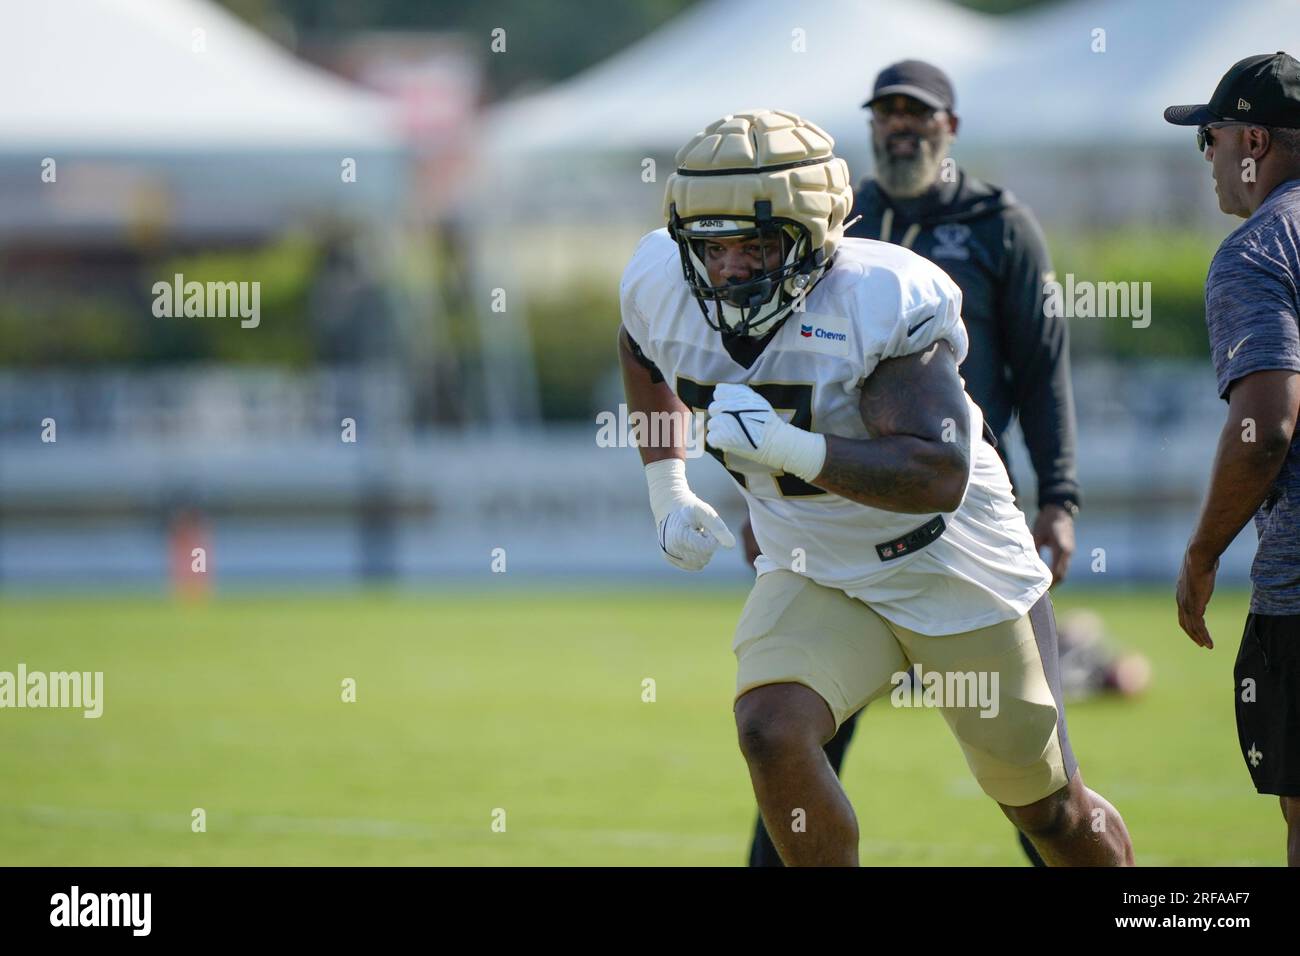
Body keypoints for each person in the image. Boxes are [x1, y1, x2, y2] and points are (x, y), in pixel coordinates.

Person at [617, 108, 1133, 866]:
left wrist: (792, 448)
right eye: (712, 245)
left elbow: (938, 472)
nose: (728, 268)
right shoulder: (659, 282)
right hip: (816, 565)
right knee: (770, 727)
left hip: (950, 562)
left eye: (754, 245)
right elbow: (640, 350)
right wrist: (668, 489)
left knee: (1045, 806)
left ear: (814, 238)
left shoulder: (877, 298)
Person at [742, 60, 1083, 867]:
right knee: (792, 738)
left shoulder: (1000, 225)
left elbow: (1043, 374)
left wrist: (1060, 500)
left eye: (917, 114)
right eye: (887, 114)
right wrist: (765, 507)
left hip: (961, 522)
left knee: (1034, 783)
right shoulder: (832, 223)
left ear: (949, 127)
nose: (901, 127)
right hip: (837, 523)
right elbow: (767, 377)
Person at [1167, 51, 1300, 866]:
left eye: (1208, 138)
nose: (1208, 158)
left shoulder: (1260, 250)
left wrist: (1204, 550)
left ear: (1251, 139)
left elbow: (1270, 425)